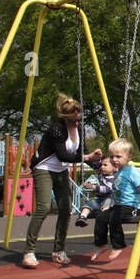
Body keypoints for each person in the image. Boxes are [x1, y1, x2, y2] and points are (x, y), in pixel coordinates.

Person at [21, 93, 102, 268]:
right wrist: (86, 157)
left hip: (61, 170)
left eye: (79, 120)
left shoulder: (79, 128)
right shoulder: (56, 129)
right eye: (73, 121)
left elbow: (82, 152)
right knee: (43, 207)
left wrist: (94, 158)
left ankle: (58, 250)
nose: (77, 123)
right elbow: (63, 155)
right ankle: (29, 251)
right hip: (44, 168)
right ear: (65, 119)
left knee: (66, 209)